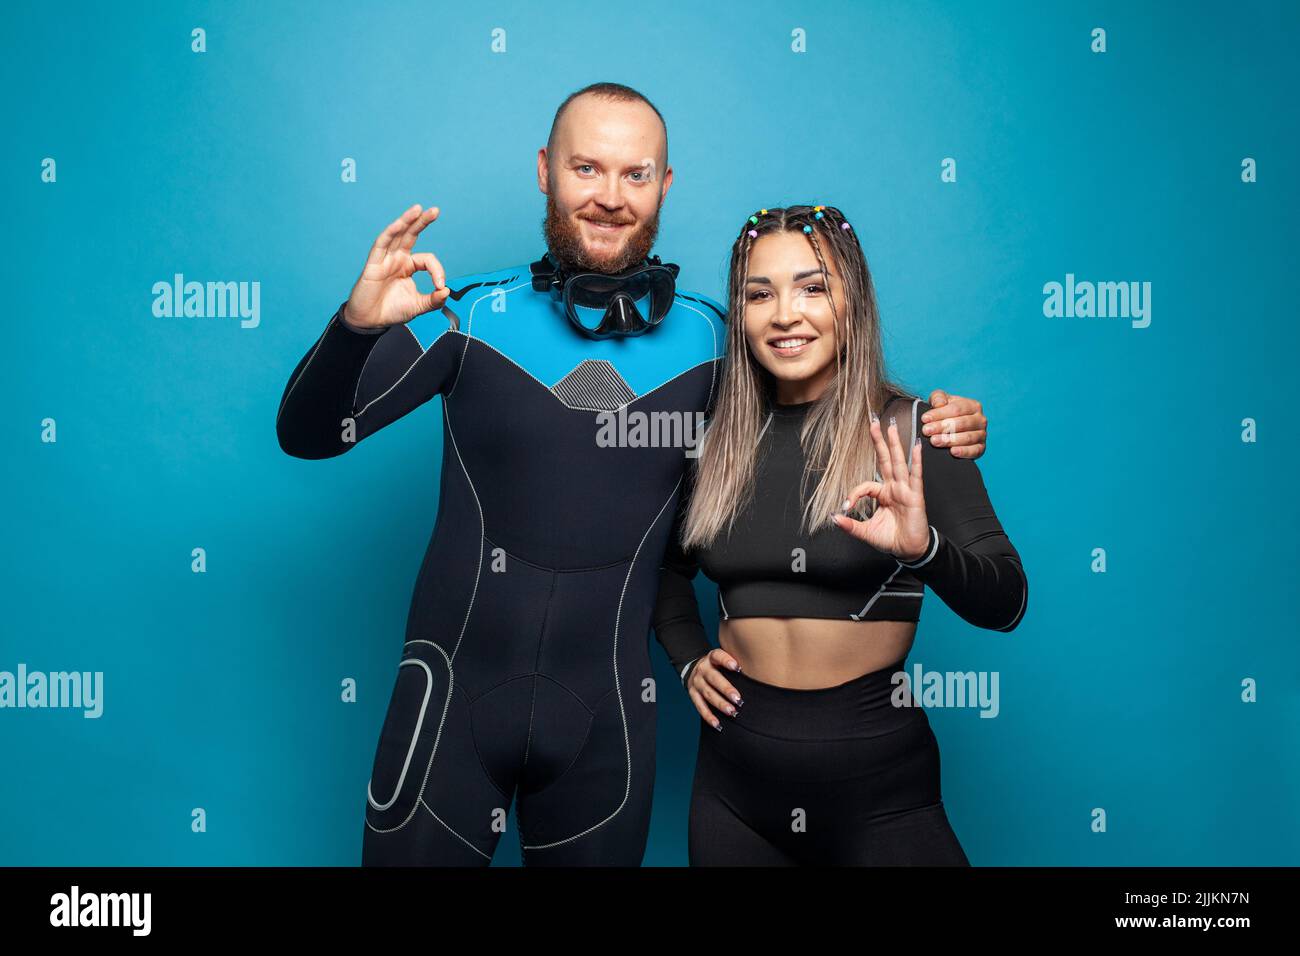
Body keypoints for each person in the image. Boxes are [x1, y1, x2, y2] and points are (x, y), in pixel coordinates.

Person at [276, 83, 991, 866]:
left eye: (635, 174)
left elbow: (819, 390)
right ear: (546, 170)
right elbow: (309, 436)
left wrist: (935, 422)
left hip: (606, 732)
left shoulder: (717, 343)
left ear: (665, 185)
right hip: (449, 713)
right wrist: (354, 330)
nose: (610, 197)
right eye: (587, 169)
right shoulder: (468, 319)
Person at [651, 203, 1026, 866]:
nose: (785, 314)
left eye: (813, 287)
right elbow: (664, 571)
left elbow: (1007, 604)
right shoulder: (712, 441)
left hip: (881, 795)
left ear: (853, 300)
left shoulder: (914, 433)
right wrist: (685, 658)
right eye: (759, 294)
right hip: (732, 794)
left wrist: (926, 552)